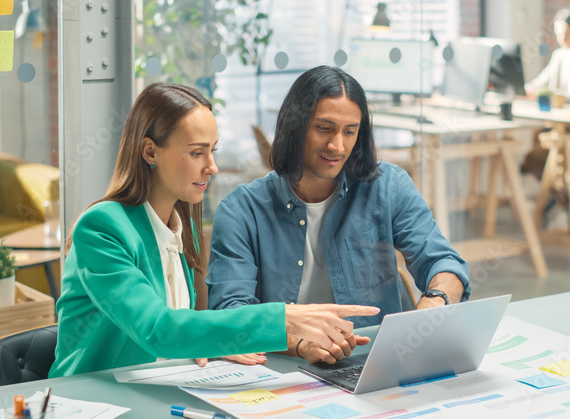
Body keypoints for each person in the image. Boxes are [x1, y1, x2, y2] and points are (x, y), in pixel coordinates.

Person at [207, 66, 482, 419]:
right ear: (296, 126)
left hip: (378, 378)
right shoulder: (241, 210)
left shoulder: (386, 187)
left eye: (350, 132)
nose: (338, 146)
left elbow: (443, 263)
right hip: (288, 389)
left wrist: (435, 303)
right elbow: (230, 313)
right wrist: (298, 340)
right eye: (325, 128)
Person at [50, 83, 377, 379]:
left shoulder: (179, 225)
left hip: (157, 391)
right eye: (196, 153)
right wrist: (285, 319)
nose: (212, 167)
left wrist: (218, 341)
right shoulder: (101, 228)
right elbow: (157, 329)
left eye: (212, 150)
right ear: (150, 152)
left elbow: (180, 329)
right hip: (88, 403)